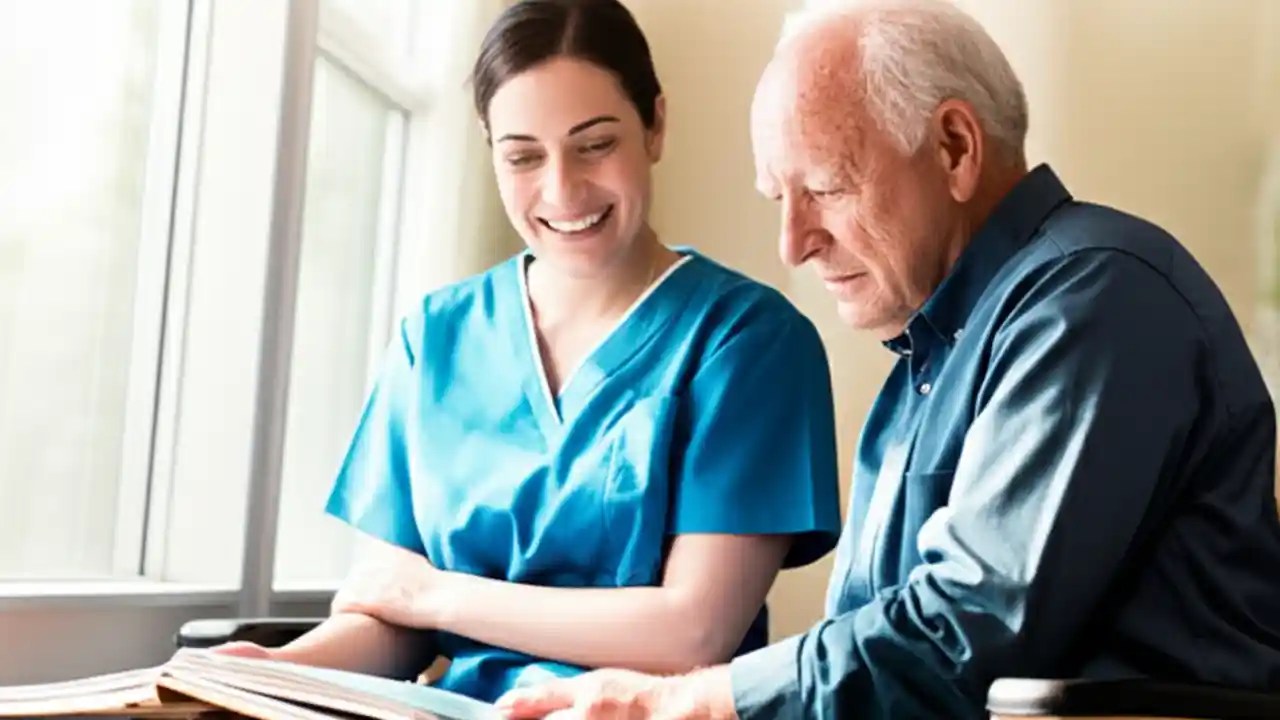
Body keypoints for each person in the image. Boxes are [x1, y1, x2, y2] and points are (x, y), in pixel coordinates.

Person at [494, 0, 1280, 718]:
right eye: (780, 199)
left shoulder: (1098, 298)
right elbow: (870, 646)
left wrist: (679, 703)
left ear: (954, 147)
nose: (794, 244)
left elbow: (964, 632)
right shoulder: (929, 359)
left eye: (826, 189)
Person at [210, 0, 844, 705]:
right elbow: (394, 617)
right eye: (522, 156)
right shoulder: (437, 336)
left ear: (655, 124)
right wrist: (272, 672)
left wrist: (442, 598)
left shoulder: (746, 340)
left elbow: (693, 633)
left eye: (595, 144)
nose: (562, 189)